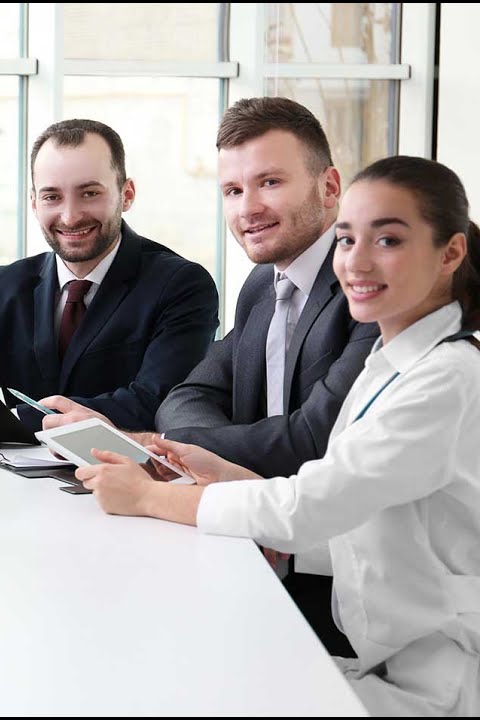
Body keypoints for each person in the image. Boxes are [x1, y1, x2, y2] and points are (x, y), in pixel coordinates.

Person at [78, 155, 480, 716]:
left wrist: (151, 497)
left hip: (438, 685)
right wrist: (224, 474)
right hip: (384, 663)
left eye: (387, 240)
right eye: (346, 240)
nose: (357, 262)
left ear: (451, 253)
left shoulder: (447, 378)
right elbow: (354, 512)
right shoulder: (391, 359)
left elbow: (308, 507)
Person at [40, 99, 379, 654]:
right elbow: (187, 397)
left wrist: (158, 447)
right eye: (233, 190)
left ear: (329, 186)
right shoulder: (262, 287)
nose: (249, 207)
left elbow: (313, 439)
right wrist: (184, 449)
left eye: (270, 181)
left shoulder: (367, 291)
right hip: (257, 545)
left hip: (341, 585)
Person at [0, 119, 219, 432]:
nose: (70, 216)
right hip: (6, 473)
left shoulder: (181, 285)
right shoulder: (2, 286)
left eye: (89, 193)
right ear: (34, 202)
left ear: (126, 195)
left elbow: (156, 401)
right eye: (52, 197)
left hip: (124, 474)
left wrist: (14, 418)